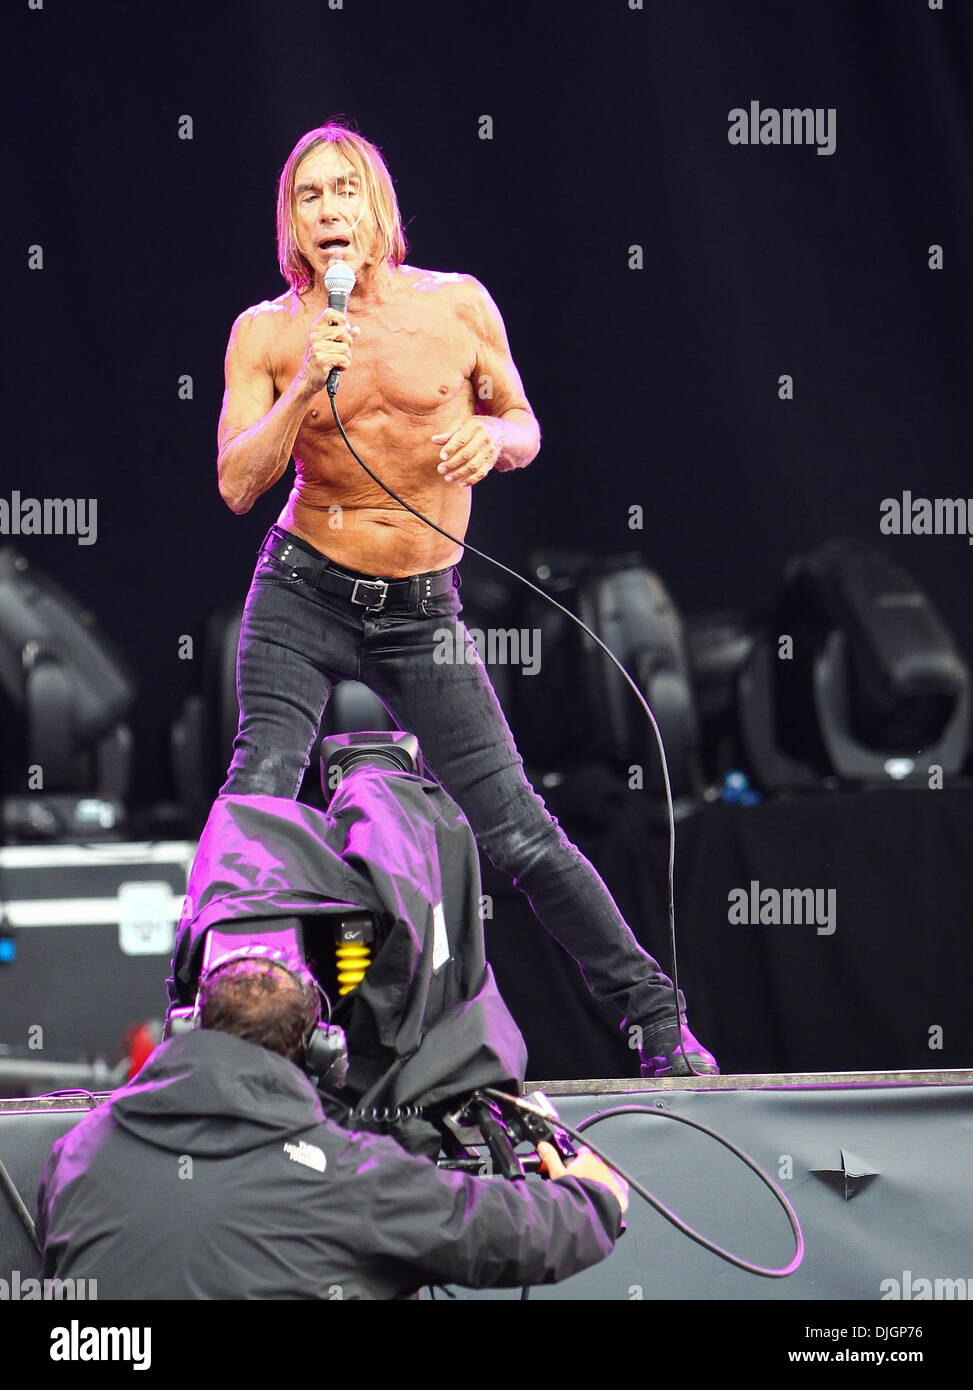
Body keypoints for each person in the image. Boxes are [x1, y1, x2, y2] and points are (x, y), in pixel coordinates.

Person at [214, 117, 717, 1079]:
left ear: (377, 208)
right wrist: (299, 396)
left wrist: (496, 441)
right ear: (291, 220)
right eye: (309, 195)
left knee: (520, 830)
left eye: (344, 190)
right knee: (260, 800)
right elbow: (238, 483)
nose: (329, 209)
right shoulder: (267, 333)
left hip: (420, 613)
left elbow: (521, 419)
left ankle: (656, 1022)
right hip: (301, 592)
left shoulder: (456, 305)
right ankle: (205, 1018)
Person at [36, 955, 628, 1300]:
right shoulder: (345, 1175)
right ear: (322, 1054)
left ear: (187, 1028)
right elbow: (509, 1235)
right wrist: (593, 1194)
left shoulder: (76, 1151)